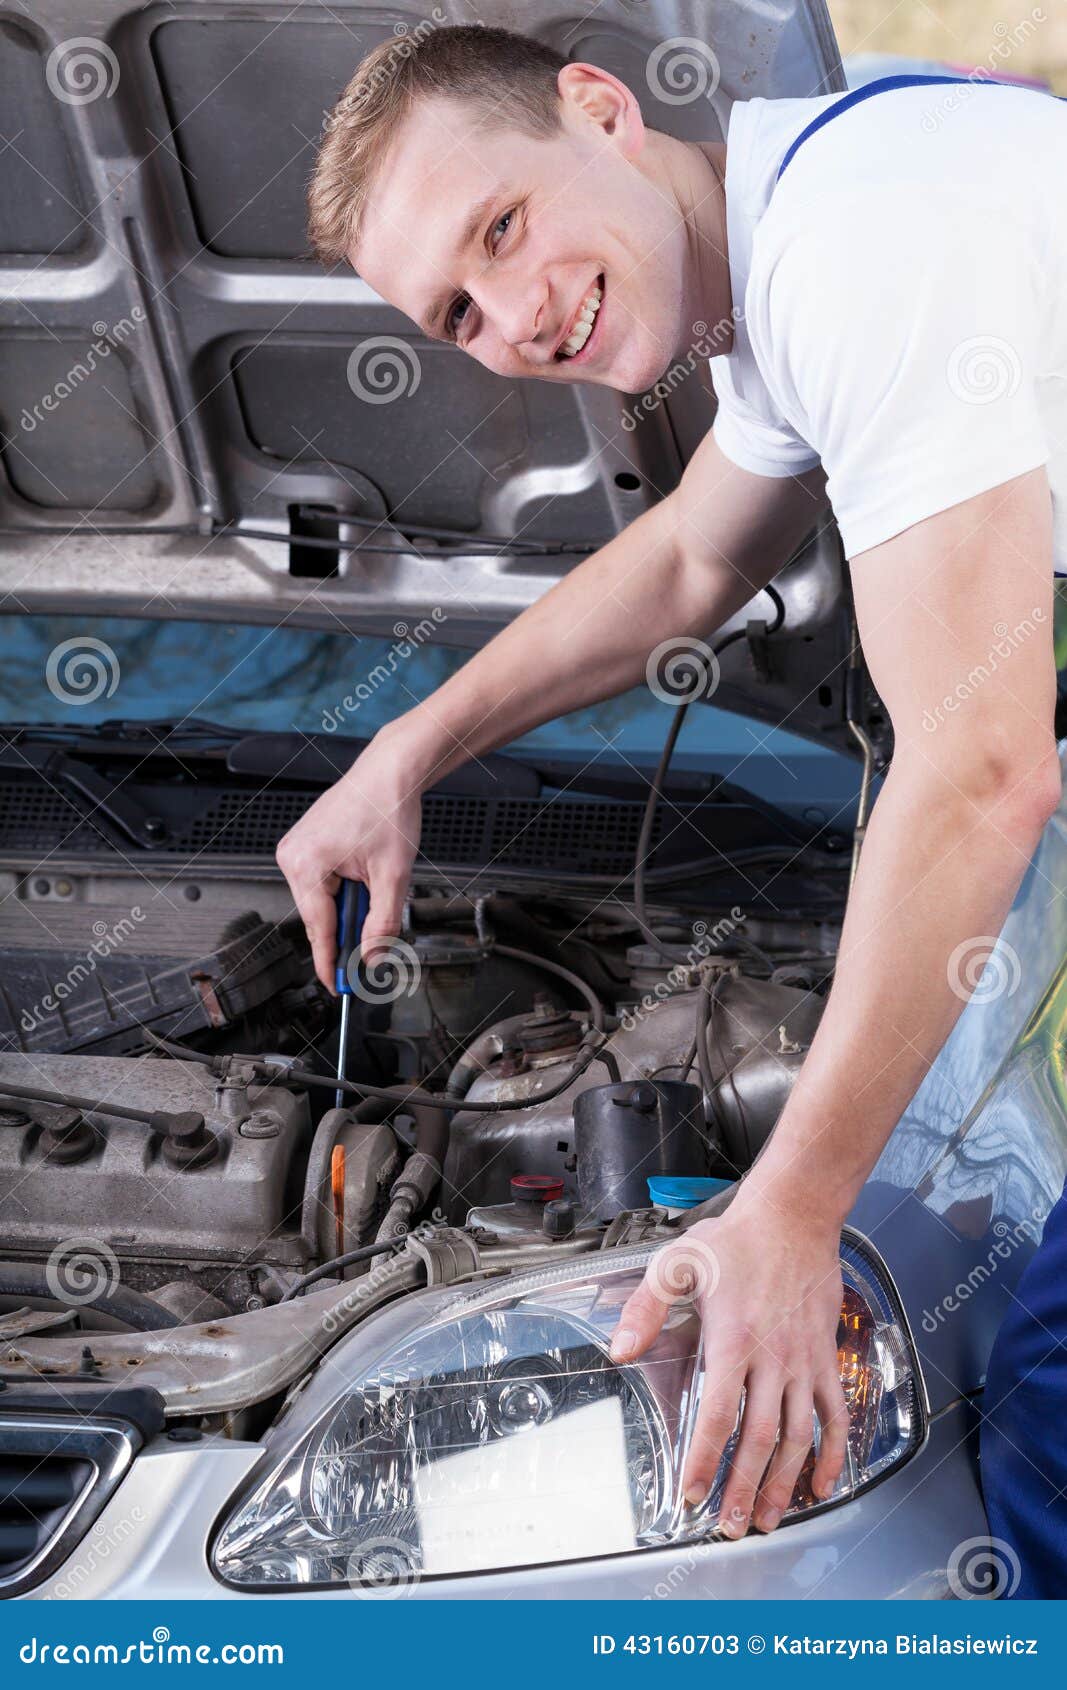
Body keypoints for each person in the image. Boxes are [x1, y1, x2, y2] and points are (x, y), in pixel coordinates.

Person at [276, 25, 1067, 1553]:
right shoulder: (793, 241)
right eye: (457, 311)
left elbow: (982, 773)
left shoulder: (858, 244)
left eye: (502, 226)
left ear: (599, 109)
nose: (517, 316)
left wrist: (791, 1206)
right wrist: (406, 749)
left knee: (1051, 1399)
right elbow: (696, 558)